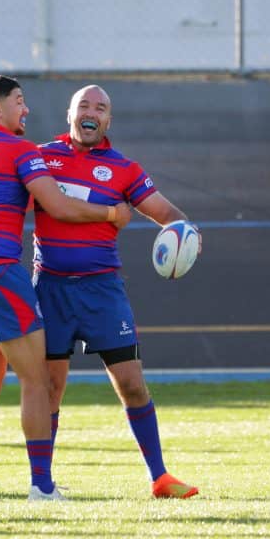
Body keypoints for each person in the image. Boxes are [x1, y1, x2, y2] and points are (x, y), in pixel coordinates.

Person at [0, 76, 131, 502]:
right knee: (36, 380)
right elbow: (58, 206)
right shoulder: (21, 150)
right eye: (19, 102)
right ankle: (41, 485)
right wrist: (111, 210)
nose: (26, 110)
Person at [33, 84, 199, 499]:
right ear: (69, 114)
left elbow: (169, 216)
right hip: (50, 290)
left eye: (101, 107)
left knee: (132, 385)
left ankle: (160, 477)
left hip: (103, 292)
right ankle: (43, 483)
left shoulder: (123, 168)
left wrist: (188, 236)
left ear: (108, 120)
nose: (92, 112)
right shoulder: (40, 157)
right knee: (50, 389)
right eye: (84, 105)